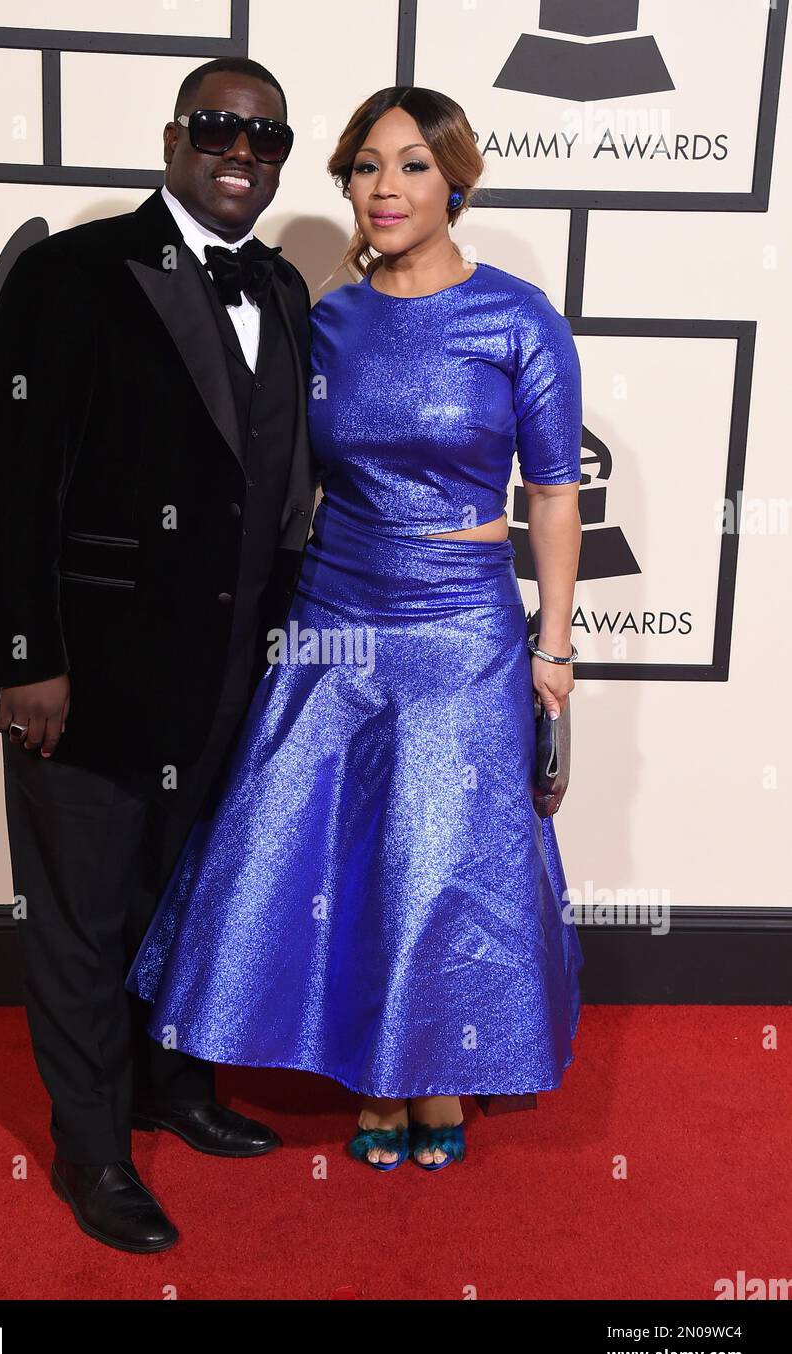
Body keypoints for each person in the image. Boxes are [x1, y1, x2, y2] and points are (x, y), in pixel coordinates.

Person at [126, 86, 584, 1174]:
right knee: (337, 849)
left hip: (459, 622)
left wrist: (553, 648)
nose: (385, 188)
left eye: (413, 165)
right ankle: (367, 1070)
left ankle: (430, 1078)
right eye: (367, 166)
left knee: (440, 851)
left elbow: (554, 493)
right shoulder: (318, 315)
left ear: (455, 180)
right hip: (334, 610)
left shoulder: (516, 318)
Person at [0, 57, 315, 1251]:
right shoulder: (72, 275)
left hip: (228, 674)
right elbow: (8, 484)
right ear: (174, 138)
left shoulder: (278, 287)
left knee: (188, 899)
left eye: (266, 140)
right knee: (81, 915)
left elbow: (271, 486)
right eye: (220, 129)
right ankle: (94, 1150)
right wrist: (24, 657)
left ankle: (175, 1087)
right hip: (89, 677)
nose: (242, 154)